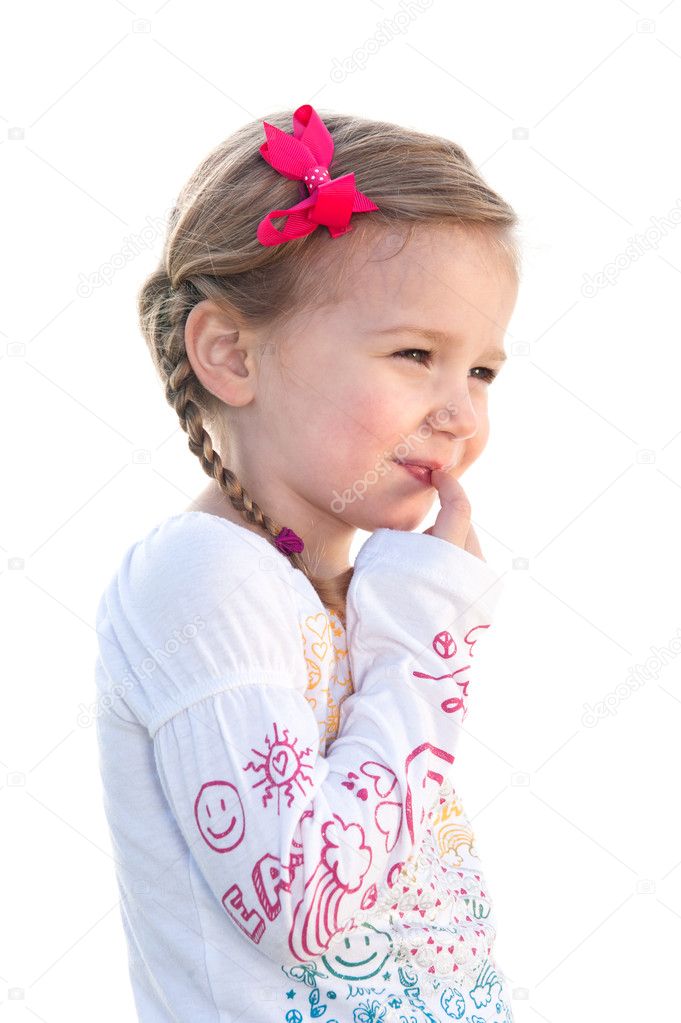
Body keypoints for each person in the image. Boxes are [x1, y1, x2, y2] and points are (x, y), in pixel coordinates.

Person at [94, 103, 521, 1022]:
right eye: (416, 354)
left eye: (482, 371)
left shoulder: (328, 592)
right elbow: (305, 904)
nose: (461, 415)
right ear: (230, 353)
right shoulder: (202, 576)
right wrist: (422, 647)